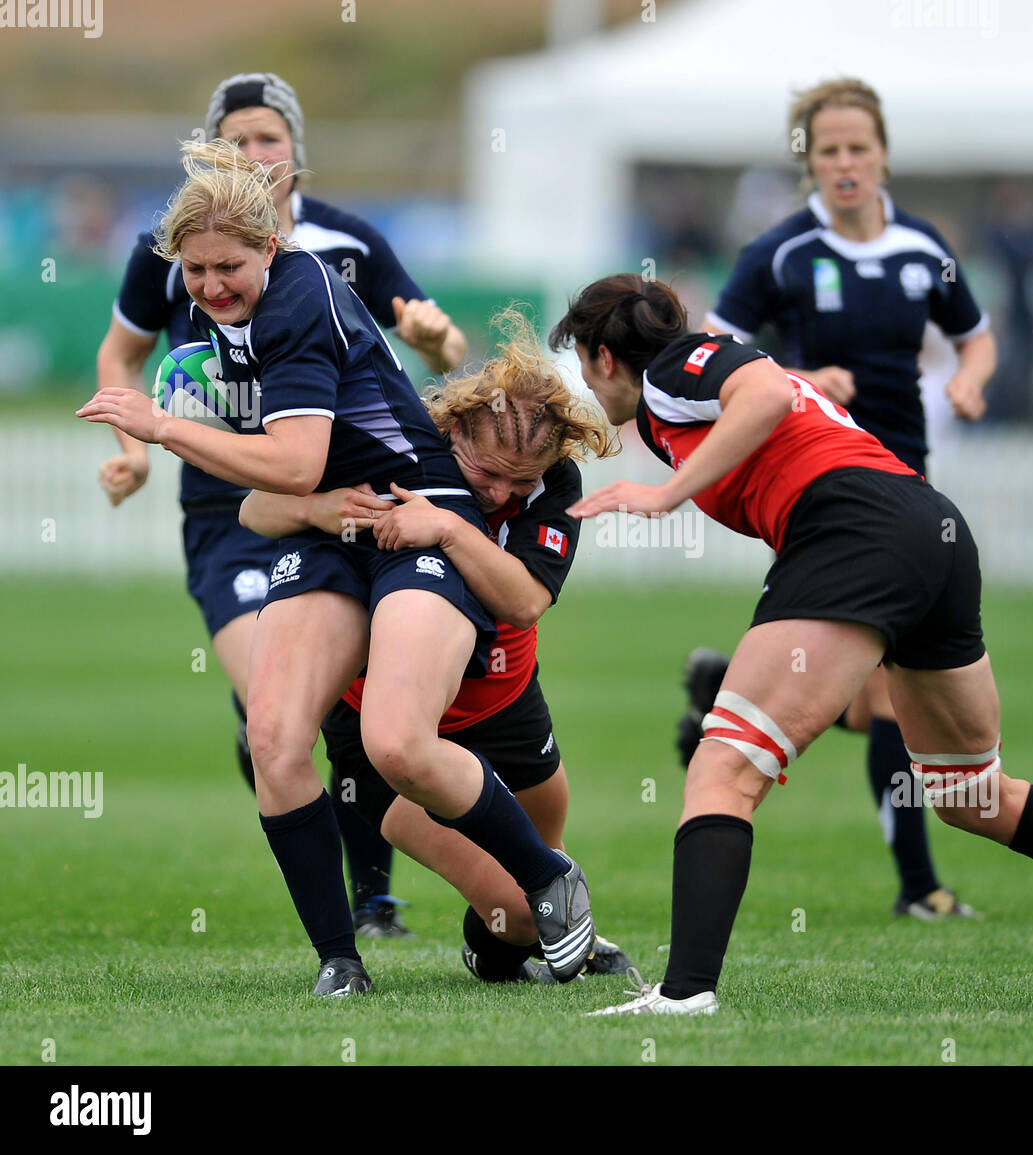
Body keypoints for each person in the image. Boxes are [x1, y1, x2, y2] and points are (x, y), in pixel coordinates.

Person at [550, 274, 1033, 1015]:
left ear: (602, 357)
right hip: (928, 532)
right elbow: (780, 400)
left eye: (583, 370)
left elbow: (768, 398)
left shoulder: (671, 373)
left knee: (722, 768)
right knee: (972, 793)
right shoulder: (697, 375)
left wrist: (665, 494)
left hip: (855, 531)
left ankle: (685, 994)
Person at [79, 139, 596, 994]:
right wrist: (315, 508)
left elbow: (288, 459)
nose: (210, 285)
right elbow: (279, 492)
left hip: (419, 513)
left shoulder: (298, 297)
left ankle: (548, 879)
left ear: (270, 249)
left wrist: (161, 427)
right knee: (276, 741)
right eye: (195, 269)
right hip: (336, 531)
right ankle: (340, 960)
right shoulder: (230, 319)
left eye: (228, 265)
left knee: (396, 742)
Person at [94, 73, 467, 937]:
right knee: (276, 706)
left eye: (268, 138)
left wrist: (438, 338)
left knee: (337, 707)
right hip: (230, 509)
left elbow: (437, 338)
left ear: (295, 149)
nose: (254, 155)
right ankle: (344, 912)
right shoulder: (177, 245)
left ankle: (372, 900)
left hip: (335, 498)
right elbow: (122, 357)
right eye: (235, 141)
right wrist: (132, 451)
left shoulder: (344, 246)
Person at [677, 78, 996, 921]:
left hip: (907, 483)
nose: (845, 164)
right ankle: (920, 887)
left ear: (883, 151)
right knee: (892, 695)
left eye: (858, 148)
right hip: (824, 491)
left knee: (868, 694)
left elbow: (978, 334)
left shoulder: (925, 247)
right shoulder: (782, 251)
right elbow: (714, 347)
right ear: (808, 161)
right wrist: (793, 379)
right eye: (828, 152)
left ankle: (727, 695)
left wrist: (971, 377)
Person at [239, 316, 632, 981]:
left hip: (504, 700)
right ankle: (498, 940)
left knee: (550, 865)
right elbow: (255, 508)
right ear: (452, 432)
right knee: (516, 911)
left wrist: (447, 525)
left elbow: (524, 599)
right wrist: (318, 507)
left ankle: (542, 932)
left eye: (520, 481)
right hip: (378, 726)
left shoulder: (554, 483)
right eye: (488, 475)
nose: (503, 494)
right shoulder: (396, 440)